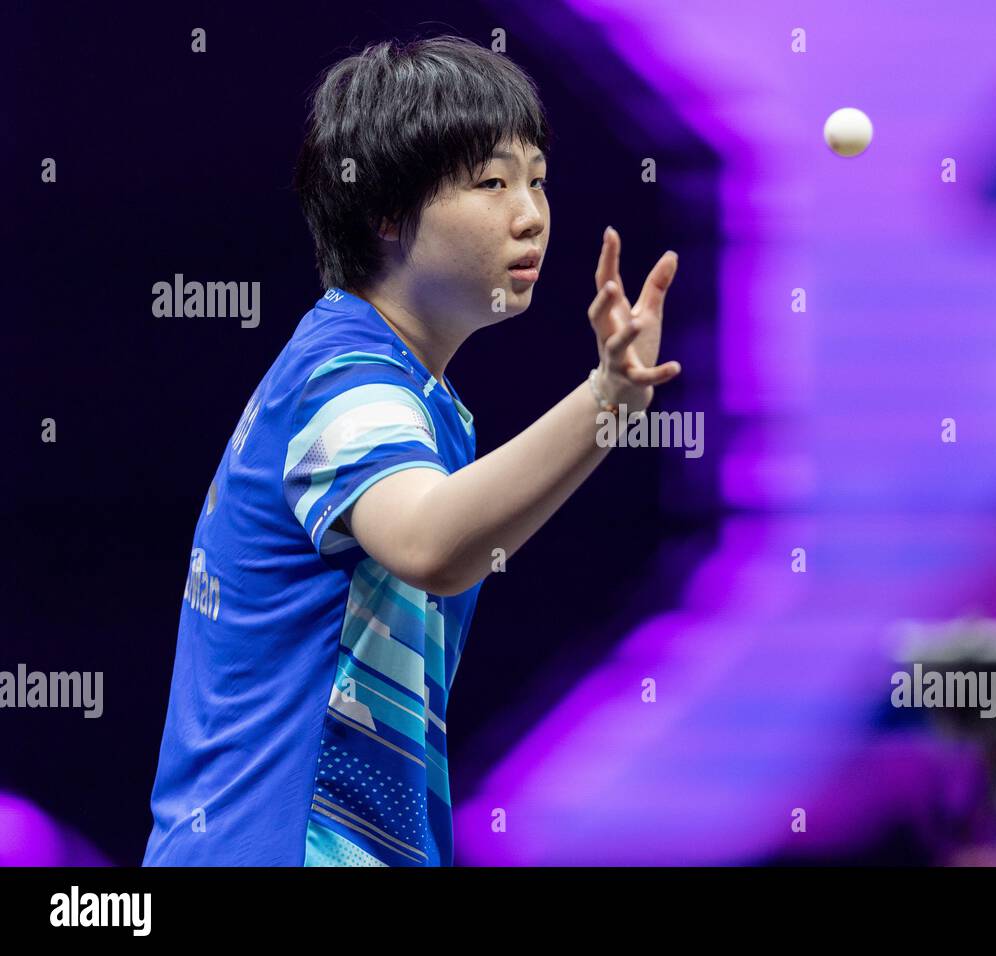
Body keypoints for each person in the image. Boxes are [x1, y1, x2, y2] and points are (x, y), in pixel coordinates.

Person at [143, 36, 680, 866]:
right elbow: (430, 542)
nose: (531, 212)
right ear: (385, 213)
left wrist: (611, 409)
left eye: (537, 180)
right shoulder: (347, 378)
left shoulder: (411, 397)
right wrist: (605, 401)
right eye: (491, 183)